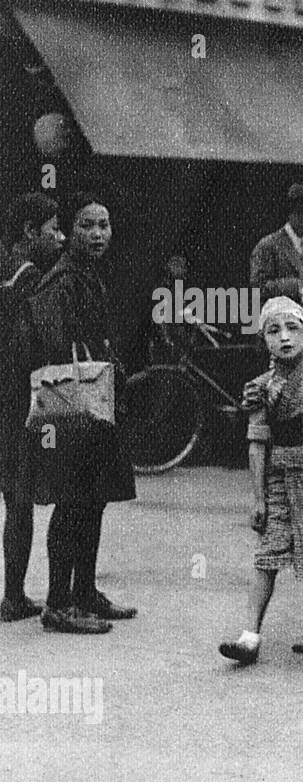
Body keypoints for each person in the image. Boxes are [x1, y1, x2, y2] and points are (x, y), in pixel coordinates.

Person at [217, 296, 303, 664]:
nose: (284, 338)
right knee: (268, 554)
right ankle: (250, 635)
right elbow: (257, 443)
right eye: (274, 331)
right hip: (282, 473)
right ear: (263, 339)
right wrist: (258, 498)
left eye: (292, 328)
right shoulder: (262, 387)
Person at [23, 191, 137, 633]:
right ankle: (57, 604)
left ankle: (84, 592)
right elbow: (53, 341)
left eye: (103, 225)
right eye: (87, 225)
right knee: (73, 502)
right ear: (71, 231)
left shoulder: (88, 273)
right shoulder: (64, 277)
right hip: (74, 408)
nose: (97, 233)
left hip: (96, 404)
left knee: (93, 501)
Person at [1, 192, 62, 622]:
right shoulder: (28, 279)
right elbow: (26, 348)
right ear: (29, 232)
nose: (58, 237)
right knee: (19, 500)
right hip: (14, 402)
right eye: (52, 229)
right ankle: (13, 596)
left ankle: (15, 596)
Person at [250, 183, 303, 319]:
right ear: (290, 214)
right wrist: (296, 284)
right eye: (302, 214)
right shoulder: (268, 245)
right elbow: (257, 288)